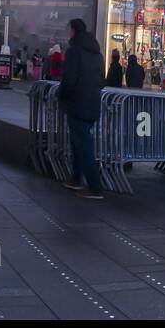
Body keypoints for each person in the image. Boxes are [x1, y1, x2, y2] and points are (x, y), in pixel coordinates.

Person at [59, 19, 105, 200]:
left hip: (77, 104)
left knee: (84, 146)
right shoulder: (98, 54)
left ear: (73, 31)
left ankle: (94, 187)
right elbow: (102, 80)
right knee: (78, 143)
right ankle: (75, 178)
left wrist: (61, 96)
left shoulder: (74, 52)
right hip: (93, 104)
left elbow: (68, 80)